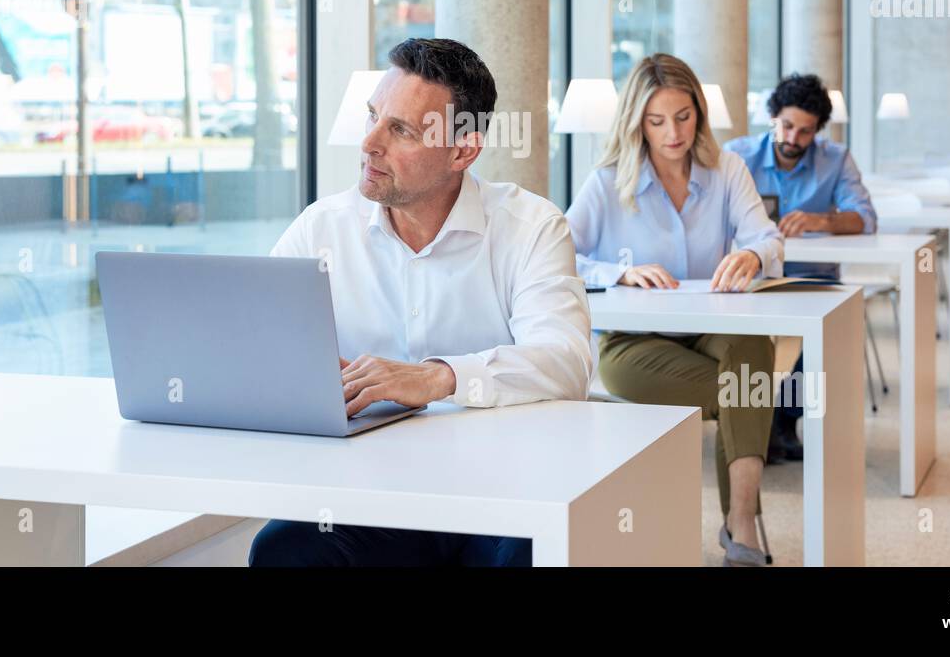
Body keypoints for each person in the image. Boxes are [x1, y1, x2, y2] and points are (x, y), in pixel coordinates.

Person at [247, 38, 592, 567]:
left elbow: (565, 360)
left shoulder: (532, 227)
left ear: (462, 151)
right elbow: (258, 342)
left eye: (400, 130)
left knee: (530, 555)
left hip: (503, 490)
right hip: (371, 492)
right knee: (283, 550)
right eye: (372, 117)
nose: (369, 143)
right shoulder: (320, 229)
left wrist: (436, 377)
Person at [565, 53, 783, 567]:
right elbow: (559, 254)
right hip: (631, 346)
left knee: (753, 346)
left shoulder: (727, 169)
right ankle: (742, 529)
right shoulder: (607, 181)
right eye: (657, 120)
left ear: (699, 114)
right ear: (637, 121)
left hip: (713, 332)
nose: (672, 133)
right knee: (748, 387)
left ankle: (742, 520)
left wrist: (753, 253)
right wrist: (617, 272)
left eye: (683, 117)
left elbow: (768, 237)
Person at [724, 73, 877, 463]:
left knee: (836, 325)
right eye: (787, 126)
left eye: (805, 132)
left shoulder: (835, 159)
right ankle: (748, 421)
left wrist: (820, 220)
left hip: (815, 278)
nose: (793, 139)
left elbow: (865, 218)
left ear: (818, 131)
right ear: (772, 117)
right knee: (742, 339)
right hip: (750, 276)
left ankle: (783, 417)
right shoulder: (736, 155)